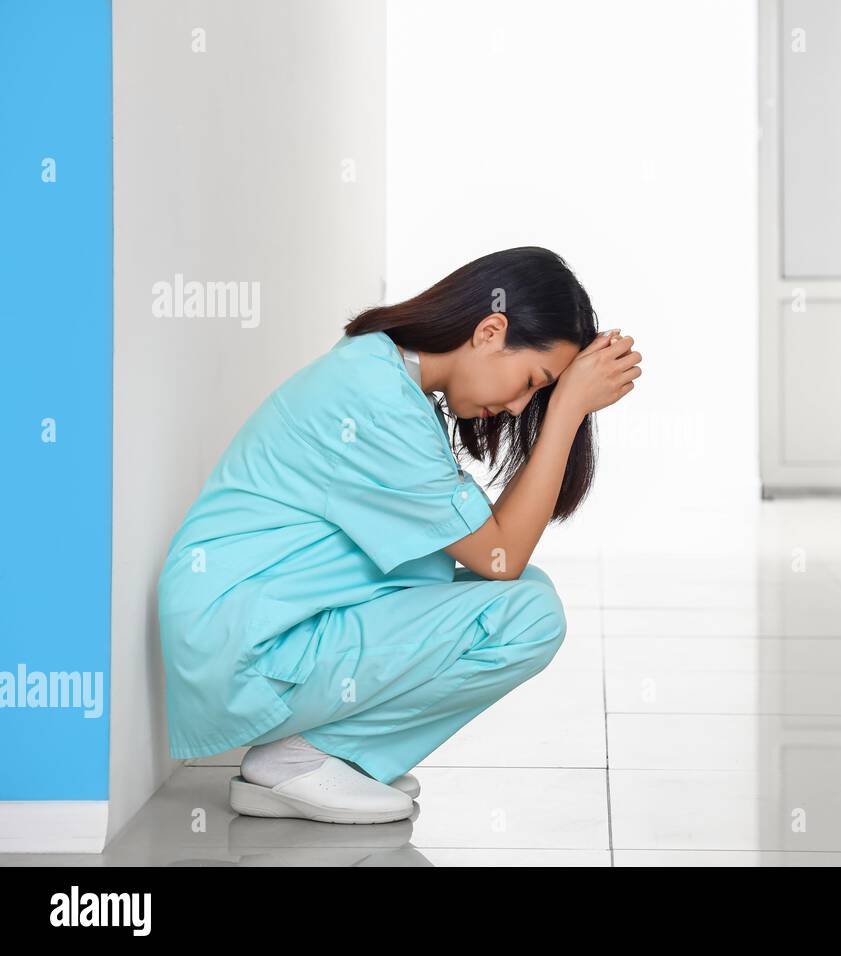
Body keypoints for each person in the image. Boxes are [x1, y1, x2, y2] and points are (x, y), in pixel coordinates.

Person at [156, 246, 641, 824]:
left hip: (258, 630)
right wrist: (565, 411)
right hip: (246, 648)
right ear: (490, 330)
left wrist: (559, 401)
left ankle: (331, 754)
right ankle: (302, 760)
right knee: (527, 614)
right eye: (532, 383)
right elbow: (499, 554)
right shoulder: (375, 400)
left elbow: (493, 547)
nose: (517, 406)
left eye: (537, 398)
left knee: (522, 596)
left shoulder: (384, 377)